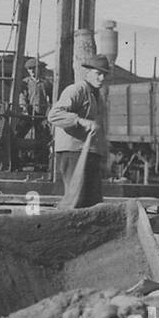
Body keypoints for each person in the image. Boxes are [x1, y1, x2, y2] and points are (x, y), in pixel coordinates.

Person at [47, 53, 110, 206]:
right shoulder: (76, 90)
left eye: (104, 75)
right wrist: (80, 121)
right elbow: (54, 115)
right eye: (98, 73)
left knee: (92, 200)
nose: (101, 78)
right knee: (77, 198)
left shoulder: (97, 95)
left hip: (89, 151)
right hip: (73, 151)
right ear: (88, 72)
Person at [18, 58, 53, 164]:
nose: (32, 71)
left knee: (43, 136)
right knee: (19, 133)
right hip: (28, 113)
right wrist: (24, 107)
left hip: (41, 114)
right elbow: (22, 96)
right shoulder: (25, 82)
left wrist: (49, 110)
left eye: (34, 69)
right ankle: (19, 158)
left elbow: (51, 98)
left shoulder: (45, 83)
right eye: (30, 69)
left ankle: (41, 161)